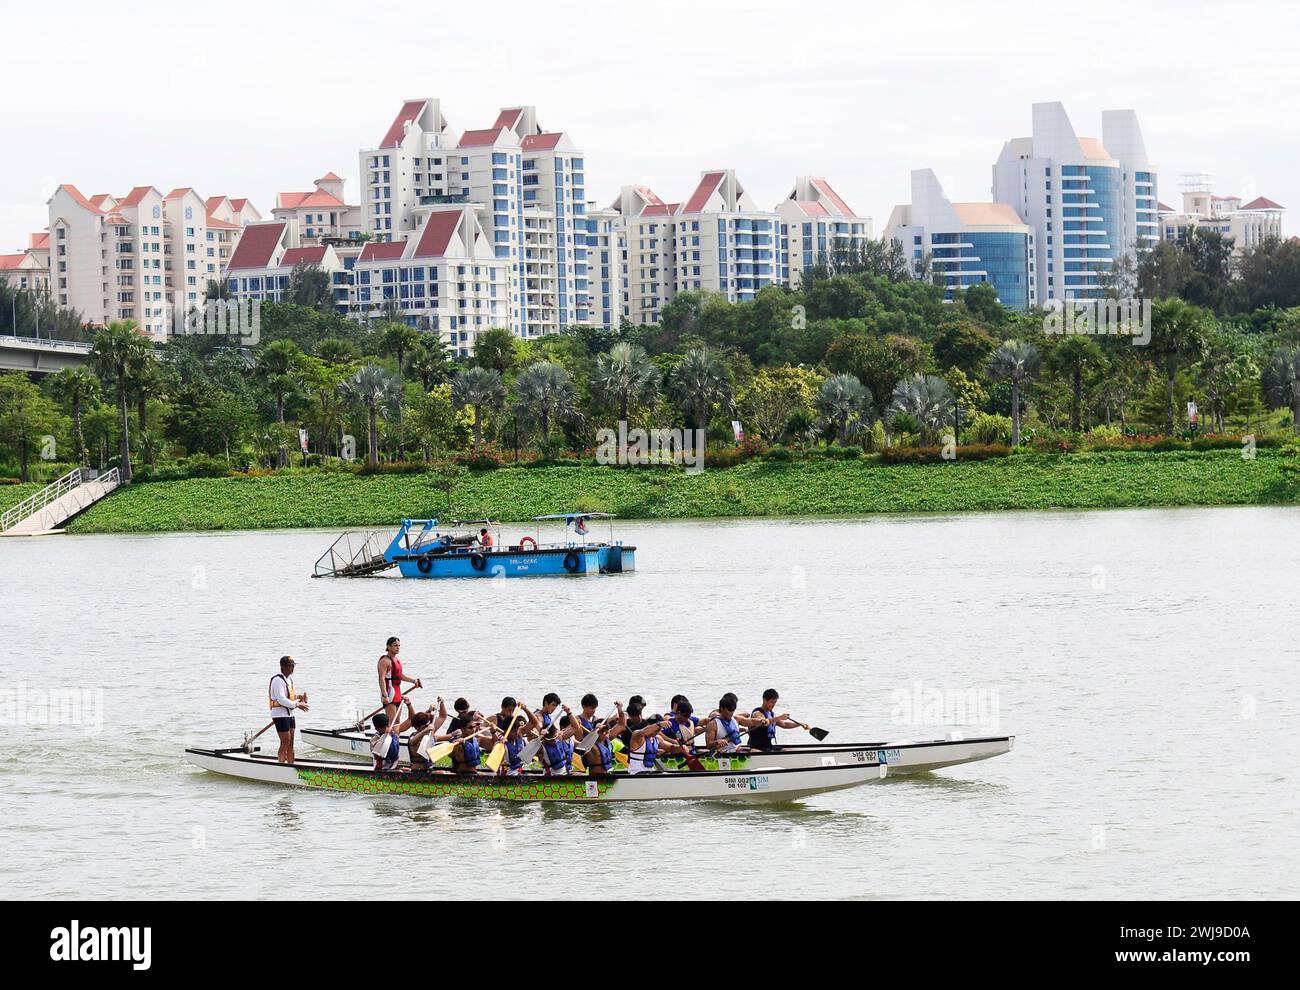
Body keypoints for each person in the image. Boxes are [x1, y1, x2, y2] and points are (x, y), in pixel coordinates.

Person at [268, 656, 308, 765]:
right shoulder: (277, 680)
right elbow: (281, 699)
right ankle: (281, 765)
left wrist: (299, 697)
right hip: (279, 715)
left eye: (294, 665)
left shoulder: (289, 680)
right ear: (284, 667)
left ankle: (291, 765)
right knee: (285, 742)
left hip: (289, 714)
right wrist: (297, 704)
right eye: (291, 666)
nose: (293, 668)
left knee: (291, 743)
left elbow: (289, 696)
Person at [377, 637, 421, 724]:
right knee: (391, 721)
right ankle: (386, 735)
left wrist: (414, 681)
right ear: (388, 647)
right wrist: (384, 695)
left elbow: (400, 676)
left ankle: (396, 736)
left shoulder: (396, 660)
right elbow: (381, 679)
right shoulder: (384, 661)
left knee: (397, 721)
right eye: (395, 645)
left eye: (399, 646)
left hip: (397, 692)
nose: (398, 648)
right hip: (389, 693)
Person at [491, 696, 540, 774]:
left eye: (516, 730)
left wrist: (525, 708)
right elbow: (494, 759)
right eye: (513, 731)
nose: (516, 733)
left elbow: (534, 722)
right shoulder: (501, 740)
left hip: (519, 772)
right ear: (505, 731)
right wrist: (499, 742)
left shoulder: (519, 732)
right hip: (506, 775)